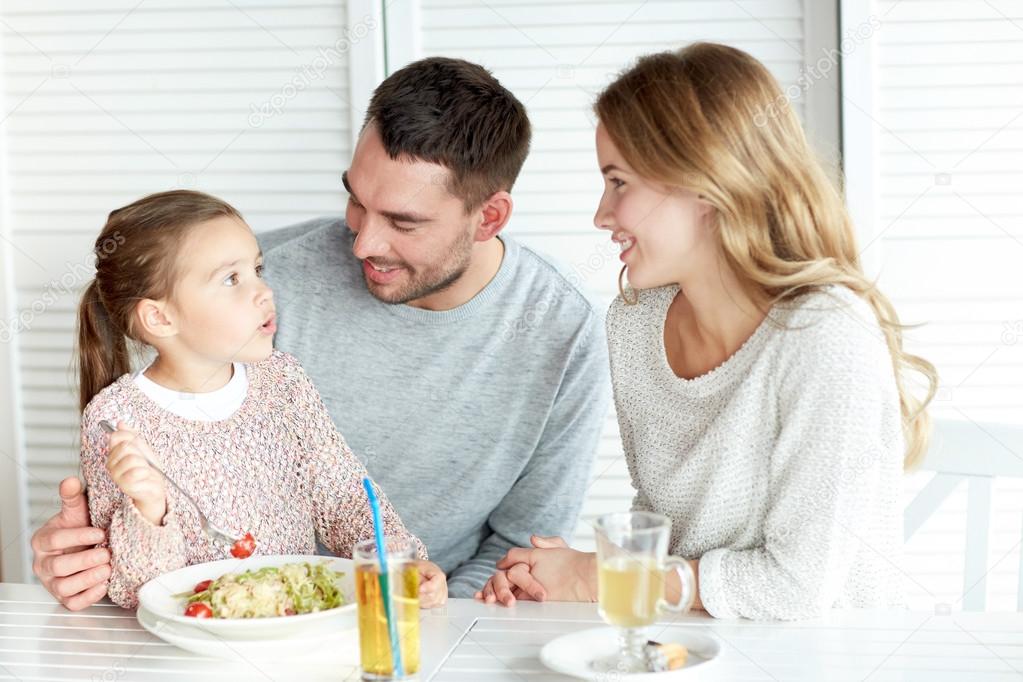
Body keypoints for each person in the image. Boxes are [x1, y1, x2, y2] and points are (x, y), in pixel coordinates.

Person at [32, 57, 611, 608]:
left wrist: (412, 612)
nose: (362, 244)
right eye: (356, 201)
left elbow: (520, 552)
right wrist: (88, 553)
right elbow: (138, 509)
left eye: (403, 221)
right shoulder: (266, 280)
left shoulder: (563, 330)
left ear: (490, 217)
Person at [476, 43, 939, 620]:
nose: (601, 213)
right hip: (698, 645)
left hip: (827, 655)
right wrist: (556, 576)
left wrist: (602, 577)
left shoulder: (825, 336)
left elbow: (796, 588)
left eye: (619, 182)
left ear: (704, 183)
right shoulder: (636, 322)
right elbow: (671, 533)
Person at [71, 190, 446, 609]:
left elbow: (343, 498)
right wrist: (149, 509)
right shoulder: (115, 418)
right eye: (232, 279)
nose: (264, 291)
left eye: (257, 269)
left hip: (295, 622)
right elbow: (132, 592)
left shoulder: (283, 382)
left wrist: (395, 560)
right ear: (160, 317)